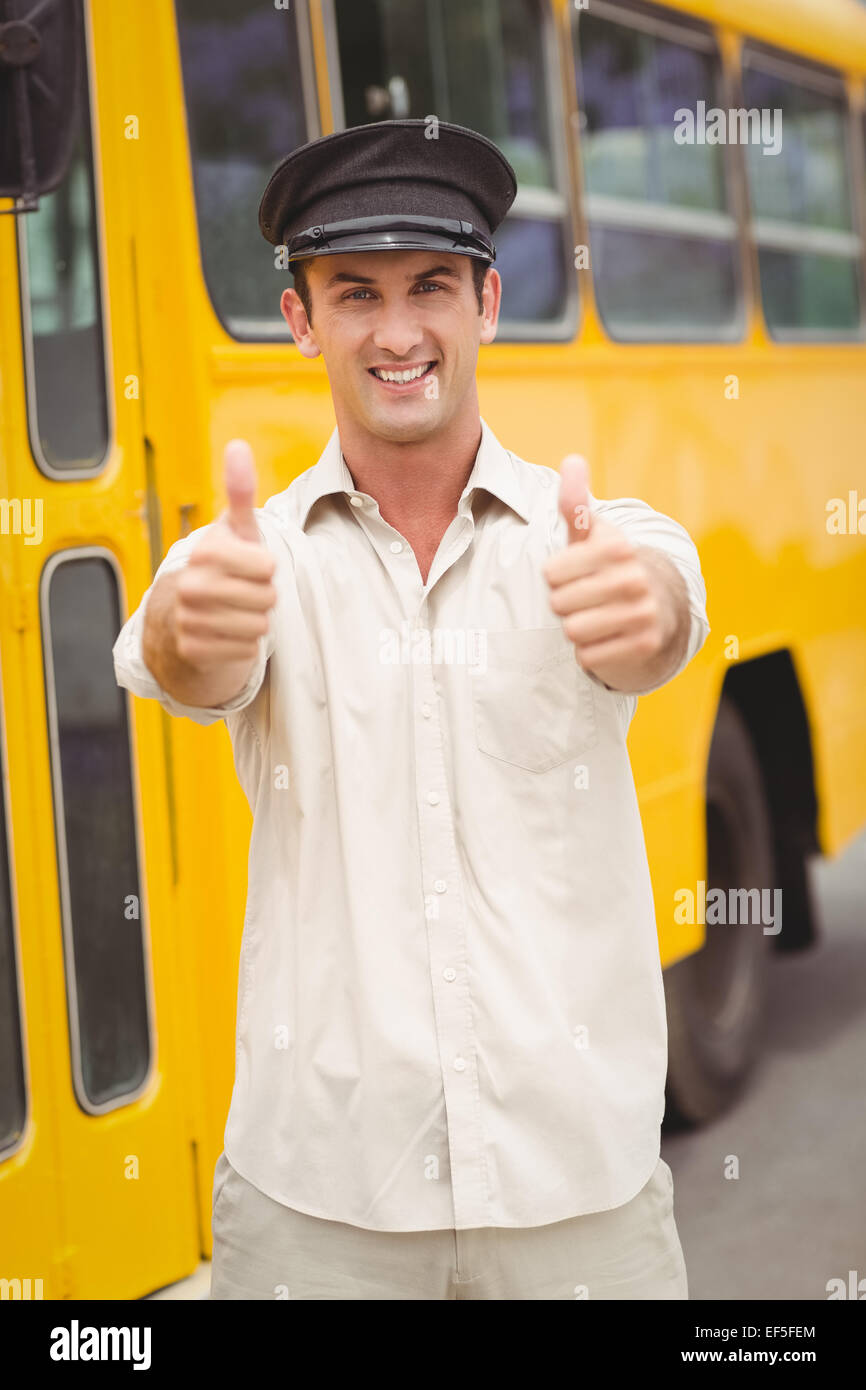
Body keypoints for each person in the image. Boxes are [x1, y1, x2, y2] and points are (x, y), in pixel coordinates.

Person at [113, 119, 709, 1300]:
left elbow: (657, 603)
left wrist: (641, 612)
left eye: (430, 285)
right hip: (322, 1209)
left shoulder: (587, 536)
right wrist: (197, 628)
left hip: (574, 1198)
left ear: (486, 302)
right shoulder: (250, 557)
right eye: (352, 294)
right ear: (300, 320)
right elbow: (183, 651)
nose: (396, 332)